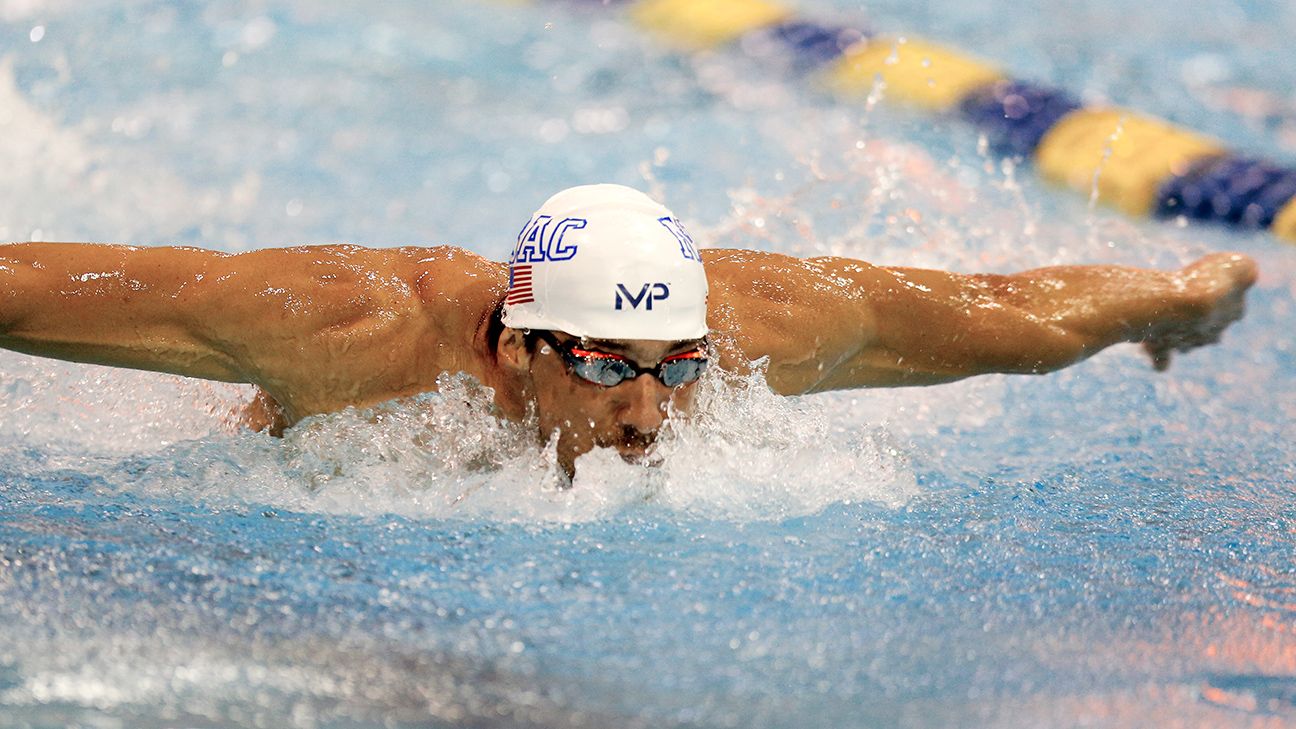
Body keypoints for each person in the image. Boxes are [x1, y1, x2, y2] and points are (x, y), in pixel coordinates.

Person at [0, 184, 1258, 475]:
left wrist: (1178, 301)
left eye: (675, 370)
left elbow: (1014, 316)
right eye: (606, 367)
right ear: (515, 344)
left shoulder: (758, 331)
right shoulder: (350, 331)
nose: (649, 416)